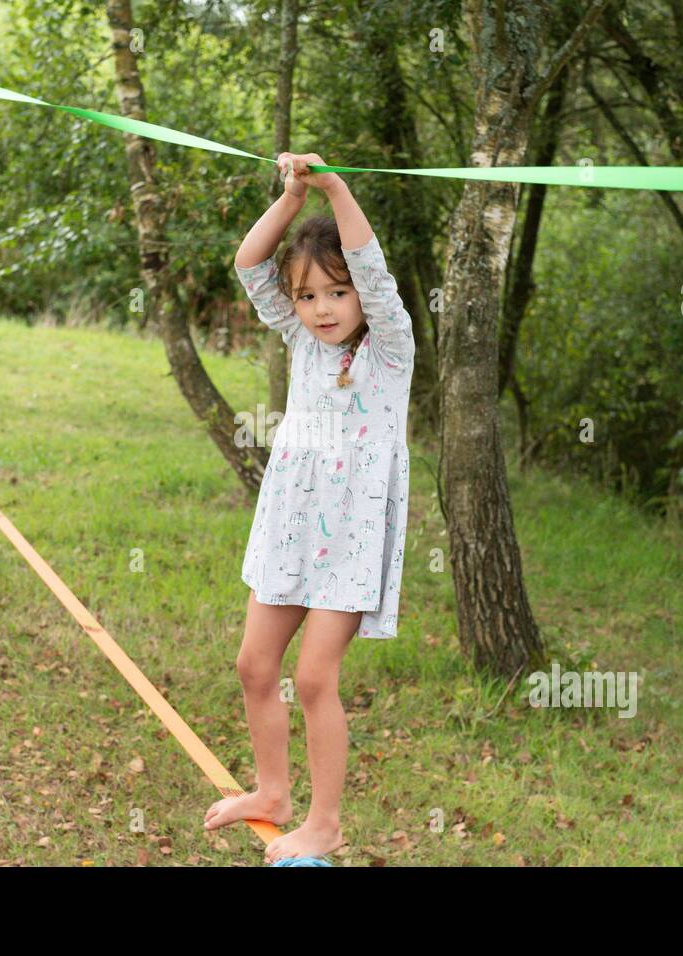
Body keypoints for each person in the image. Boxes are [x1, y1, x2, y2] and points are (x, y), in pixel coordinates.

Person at [204, 152, 414, 864]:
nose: (322, 309)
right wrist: (292, 197)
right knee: (255, 665)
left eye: (336, 293)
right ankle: (272, 793)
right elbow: (248, 262)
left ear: (360, 296)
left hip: (352, 535)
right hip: (291, 523)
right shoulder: (300, 337)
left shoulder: (390, 346)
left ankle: (323, 825)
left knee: (316, 677)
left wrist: (337, 187)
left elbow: (371, 267)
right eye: (307, 296)